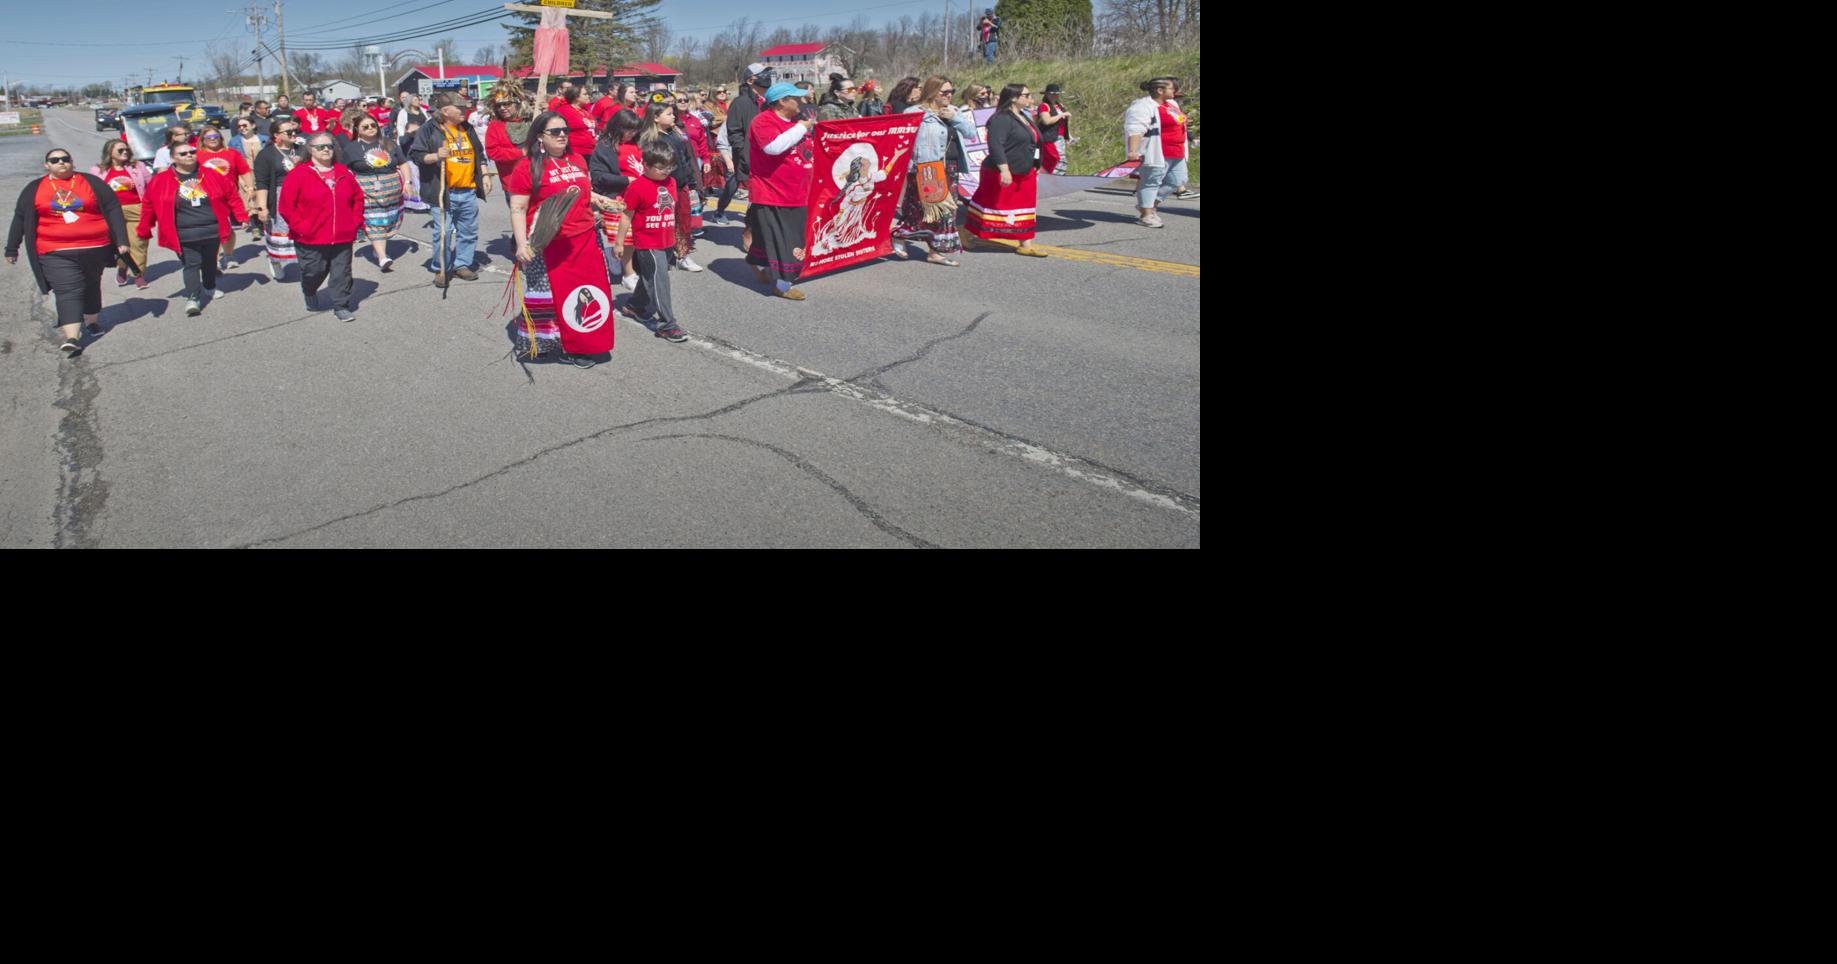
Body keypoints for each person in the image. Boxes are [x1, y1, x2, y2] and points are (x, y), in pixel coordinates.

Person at [506, 109, 625, 361]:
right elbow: (518, 207)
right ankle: (555, 345)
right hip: (548, 245)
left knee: (587, 293)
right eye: (555, 132)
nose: (562, 136)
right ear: (540, 136)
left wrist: (597, 199)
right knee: (551, 298)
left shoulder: (578, 160)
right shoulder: (526, 168)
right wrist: (520, 244)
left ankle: (585, 344)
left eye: (565, 131)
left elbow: (579, 191)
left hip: (584, 239)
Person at [6, 147, 132, 355]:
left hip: (95, 248)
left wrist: (121, 239)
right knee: (68, 290)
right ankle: (72, 337)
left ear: (72, 162)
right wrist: (12, 248)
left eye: (65, 159)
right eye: (54, 160)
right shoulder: (35, 188)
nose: (61, 162)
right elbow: (21, 218)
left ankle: (91, 321)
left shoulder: (92, 183)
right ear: (47, 165)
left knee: (91, 284)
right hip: (54, 250)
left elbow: (112, 208)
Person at [137, 136, 248, 315]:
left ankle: (210, 287)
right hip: (183, 232)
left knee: (210, 261)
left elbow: (231, 194)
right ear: (173, 158)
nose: (189, 155)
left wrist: (241, 215)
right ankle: (193, 298)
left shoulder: (211, 174)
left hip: (211, 228)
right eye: (183, 153)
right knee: (192, 263)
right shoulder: (161, 180)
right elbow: (149, 205)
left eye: (192, 152)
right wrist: (144, 227)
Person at [610, 139, 689, 342]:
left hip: (667, 240)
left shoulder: (670, 182)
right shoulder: (637, 187)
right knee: (660, 280)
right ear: (646, 164)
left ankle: (635, 305)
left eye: (670, 167)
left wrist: (679, 238)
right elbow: (626, 216)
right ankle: (667, 324)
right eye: (661, 168)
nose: (666, 172)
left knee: (650, 278)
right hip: (647, 243)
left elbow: (672, 210)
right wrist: (619, 243)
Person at [409, 93, 492, 287]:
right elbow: (416, 155)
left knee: (468, 231)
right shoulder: (428, 129)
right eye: (460, 108)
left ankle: (462, 264)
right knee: (443, 233)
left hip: (468, 190)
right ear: (445, 111)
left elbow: (479, 154)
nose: (465, 111)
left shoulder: (467, 128)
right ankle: (441, 268)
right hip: (443, 192)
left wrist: (485, 174)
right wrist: (435, 156)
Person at [281, 133, 365, 321]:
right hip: (310, 237)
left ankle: (341, 305)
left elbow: (357, 199)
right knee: (313, 271)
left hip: (343, 234)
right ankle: (309, 290)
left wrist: (354, 222)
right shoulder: (299, 173)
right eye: (320, 147)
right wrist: (302, 227)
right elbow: (287, 207)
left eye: (329, 146)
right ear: (310, 150)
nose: (326, 149)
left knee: (341, 271)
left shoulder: (343, 172)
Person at [962, 83, 1052, 256]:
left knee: (1025, 206)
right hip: (1001, 171)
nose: (1029, 98)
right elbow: (995, 144)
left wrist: (1036, 163)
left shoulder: (1024, 116)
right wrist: (1004, 169)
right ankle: (966, 232)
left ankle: (1025, 244)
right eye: (1026, 95)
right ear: (1013, 98)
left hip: (1025, 171)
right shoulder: (1002, 118)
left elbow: (1035, 142)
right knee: (990, 206)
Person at [745, 83, 815, 300]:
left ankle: (762, 266)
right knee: (788, 240)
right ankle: (783, 285)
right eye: (796, 98)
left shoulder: (795, 122)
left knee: (773, 238)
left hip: (797, 191)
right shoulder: (763, 121)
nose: (801, 102)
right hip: (773, 192)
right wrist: (802, 128)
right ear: (782, 101)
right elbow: (773, 147)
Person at [895, 76, 975, 267]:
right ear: (932, 92)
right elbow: (904, 140)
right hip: (927, 168)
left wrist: (954, 118)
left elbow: (971, 133)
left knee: (946, 212)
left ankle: (935, 252)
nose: (949, 95)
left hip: (950, 167)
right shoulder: (914, 113)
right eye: (944, 92)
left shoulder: (954, 111)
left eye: (951, 92)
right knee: (923, 210)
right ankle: (899, 235)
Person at [637, 101, 705, 273]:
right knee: (664, 222)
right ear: (656, 118)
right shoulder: (652, 139)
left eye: (673, 113)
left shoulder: (674, 133)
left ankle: (683, 255)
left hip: (681, 183)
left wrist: (691, 182)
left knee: (683, 220)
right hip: (663, 186)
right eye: (668, 114)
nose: (673, 115)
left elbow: (685, 159)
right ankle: (662, 255)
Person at [342, 112, 410, 271]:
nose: (371, 128)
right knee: (374, 223)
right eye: (365, 126)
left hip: (392, 192)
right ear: (358, 129)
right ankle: (382, 257)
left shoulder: (389, 143)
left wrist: (407, 182)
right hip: (367, 192)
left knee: (388, 222)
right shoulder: (351, 148)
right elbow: (343, 170)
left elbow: (403, 163)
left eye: (373, 125)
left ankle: (377, 246)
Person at [589, 107, 645, 289]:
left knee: (638, 235)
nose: (632, 133)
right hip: (619, 196)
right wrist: (625, 180)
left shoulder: (637, 143)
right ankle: (628, 274)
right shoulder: (605, 146)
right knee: (626, 237)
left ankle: (624, 262)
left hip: (641, 194)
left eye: (635, 129)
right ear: (618, 127)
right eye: (629, 129)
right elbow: (598, 176)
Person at [91, 140, 153, 289]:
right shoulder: (97, 170)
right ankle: (122, 267)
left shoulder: (138, 166)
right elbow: (93, 192)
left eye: (126, 150)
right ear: (109, 152)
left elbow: (151, 186)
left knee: (139, 243)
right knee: (119, 244)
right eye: (120, 150)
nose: (125, 152)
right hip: (112, 212)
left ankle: (138, 274)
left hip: (136, 209)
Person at [1124, 77, 1182, 228]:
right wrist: (1133, 151)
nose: (1174, 90)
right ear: (1160, 90)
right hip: (1156, 151)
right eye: (1171, 88)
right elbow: (1135, 129)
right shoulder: (1142, 106)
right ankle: (1146, 214)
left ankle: (1148, 204)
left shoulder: (1172, 104)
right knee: (1151, 181)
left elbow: (1180, 123)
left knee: (1177, 180)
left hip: (1176, 151)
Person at [195, 125, 254, 270]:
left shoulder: (231, 153)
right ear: (203, 140)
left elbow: (244, 171)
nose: (213, 140)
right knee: (212, 230)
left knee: (228, 228)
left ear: (221, 138)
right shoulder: (197, 156)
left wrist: (250, 187)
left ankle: (228, 256)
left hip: (230, 196)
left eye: (216, 137)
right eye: (209, 137)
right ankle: (212, 259)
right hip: (207, 199)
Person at [252, 119, 302, 280]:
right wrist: (262, 207)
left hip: (302, 196)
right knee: (281, 231)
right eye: (288, 132)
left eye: (294, 130)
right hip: (279, 196)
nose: (293, 134)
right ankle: (275, 260)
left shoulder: (302, 150)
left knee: (303, 230)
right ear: (276, 135)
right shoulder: (266, 154)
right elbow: (262, 183)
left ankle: (306, 261)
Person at [723, 63, 773, 215]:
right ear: (750, 81)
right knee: (756, 204)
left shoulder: (768, 101)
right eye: (763, 75)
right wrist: (745, 154)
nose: (768, 79)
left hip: (770, 157)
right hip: (751, 159)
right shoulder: (740, 103)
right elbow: (734, 133)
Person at [484, 96, 530, 208]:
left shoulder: (530, 121)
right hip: (512, 182)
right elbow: (493, 152)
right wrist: (521, 152)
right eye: (499, 106)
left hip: (537, 180)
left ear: (517, 103)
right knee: (521, 220)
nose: (502, 108)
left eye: (507, 104)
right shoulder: (495, 126)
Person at [1037, 84, 1069, 175]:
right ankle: (1050, 178)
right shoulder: (1044, 106)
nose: (1055, 95)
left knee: (1061, 161)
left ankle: (1058, 179)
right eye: (1052, 94)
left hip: (1060, 137)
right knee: (1055, 159)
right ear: (1047, 94)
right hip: (1049, 138)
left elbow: (1062, 124)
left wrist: (1068, 136)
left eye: (1056, 93)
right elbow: (1046, 121)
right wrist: (1060, 115)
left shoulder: (1059, 106)